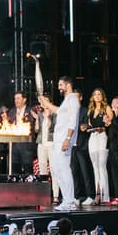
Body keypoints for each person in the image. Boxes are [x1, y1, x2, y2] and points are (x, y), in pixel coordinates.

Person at [51, 76, 81, 212]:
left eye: (61, 84)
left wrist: (68, 138)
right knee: (57, 170)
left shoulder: (73, 98)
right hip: (58, 139)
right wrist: (46, 104)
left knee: (64, 169)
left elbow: (73, 120)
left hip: (65, 139)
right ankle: (66, 200)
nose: (59, 87)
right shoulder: (66, 100)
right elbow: (58, 111)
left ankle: (70, 201)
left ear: (68, 84)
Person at [84, 88, 112, 205]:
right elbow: (89, 125)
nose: (97, 96)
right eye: (95, 94)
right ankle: (97, 194)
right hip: (93, 137)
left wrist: (106, 122)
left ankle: (105, 196)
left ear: (102, 96)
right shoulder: (90, 110)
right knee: (95, 167)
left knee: (102, 166)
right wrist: (85, 127)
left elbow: (109, 122)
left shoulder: (106, 108)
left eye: (99, 94)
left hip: (102, 136)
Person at [6, 91, 37, 176]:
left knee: (28, 170)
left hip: (27, 146)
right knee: (14, 171)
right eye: (15, 98)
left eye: (18, 98)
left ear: (24, 100)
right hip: (14, 146)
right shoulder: (11, 112)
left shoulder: (31, 111)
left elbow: (34, 128)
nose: (16, 100)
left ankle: (29, 188)